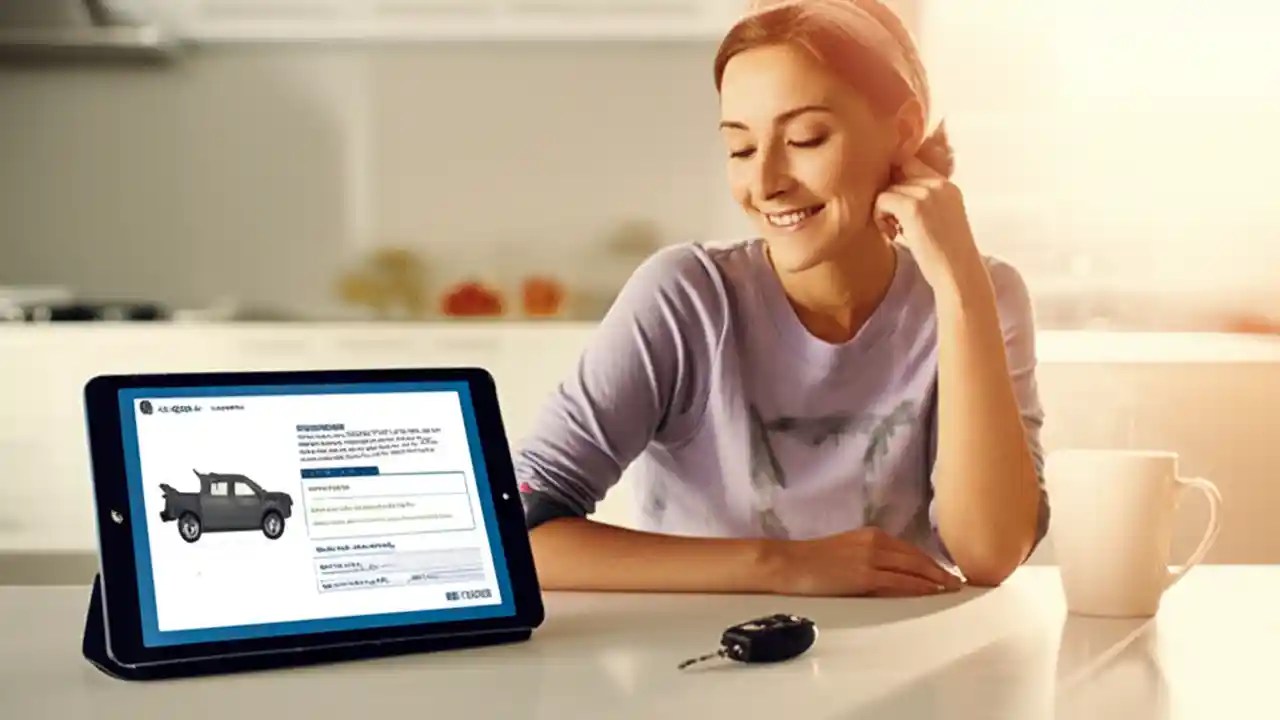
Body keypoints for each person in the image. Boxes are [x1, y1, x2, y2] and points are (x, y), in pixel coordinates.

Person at [514, 0, 1049, 597]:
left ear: (901, 133)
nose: (766, 182)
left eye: (805, 138)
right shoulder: (686, 298)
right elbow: (514, 536)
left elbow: (990, 554)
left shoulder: (982, 294)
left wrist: (959, 288)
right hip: (699, 673)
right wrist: (783, 565)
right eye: (740, 149)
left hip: (904, 667)